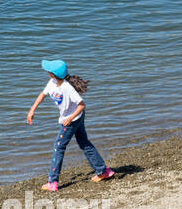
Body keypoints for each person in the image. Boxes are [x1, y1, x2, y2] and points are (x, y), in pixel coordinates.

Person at [26, 59, 115, 191]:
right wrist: (32, 110)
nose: (47, 72)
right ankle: (103, 171)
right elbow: (42, 95)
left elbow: (82, 105)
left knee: (58, 147)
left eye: (48, 70)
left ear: (52, 74)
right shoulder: (52, 82)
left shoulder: (67, 88)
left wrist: (70, 118)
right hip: (75, 118)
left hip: (72, 120)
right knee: (84, 143)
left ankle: (53, 181)